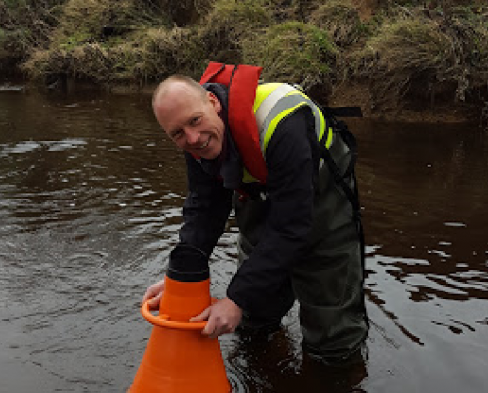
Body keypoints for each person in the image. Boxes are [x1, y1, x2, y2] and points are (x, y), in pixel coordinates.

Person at [143, 62, 368, 363]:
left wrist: (234, 299)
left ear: (212, 102)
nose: (193, 138)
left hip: (319, 197)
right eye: (178, 134)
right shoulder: (196, 140)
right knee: (252, 321)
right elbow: (204, 208)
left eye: (195, 121)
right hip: (258, 194)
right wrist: (180, 281)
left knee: (332, 343)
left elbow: (291, 226)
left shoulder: (282, 123)